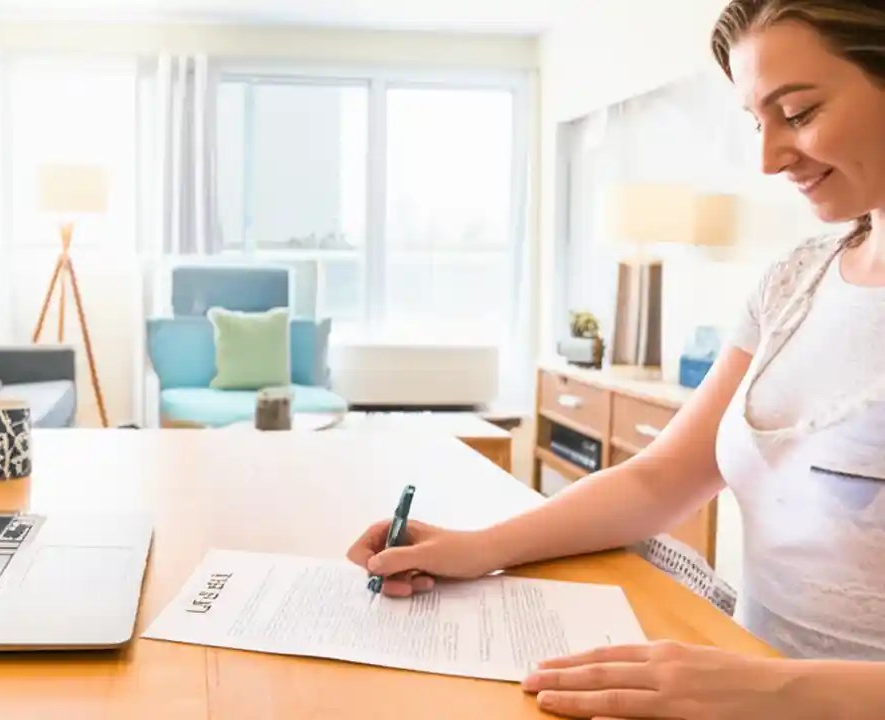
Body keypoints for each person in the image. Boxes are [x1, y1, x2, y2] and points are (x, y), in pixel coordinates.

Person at [347, 1, 885, 717]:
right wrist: (477, 549)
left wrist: (769, 688)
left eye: (799, 112)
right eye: (759, 122)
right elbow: (662, 478)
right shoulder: (796, 282)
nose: (768, 159)